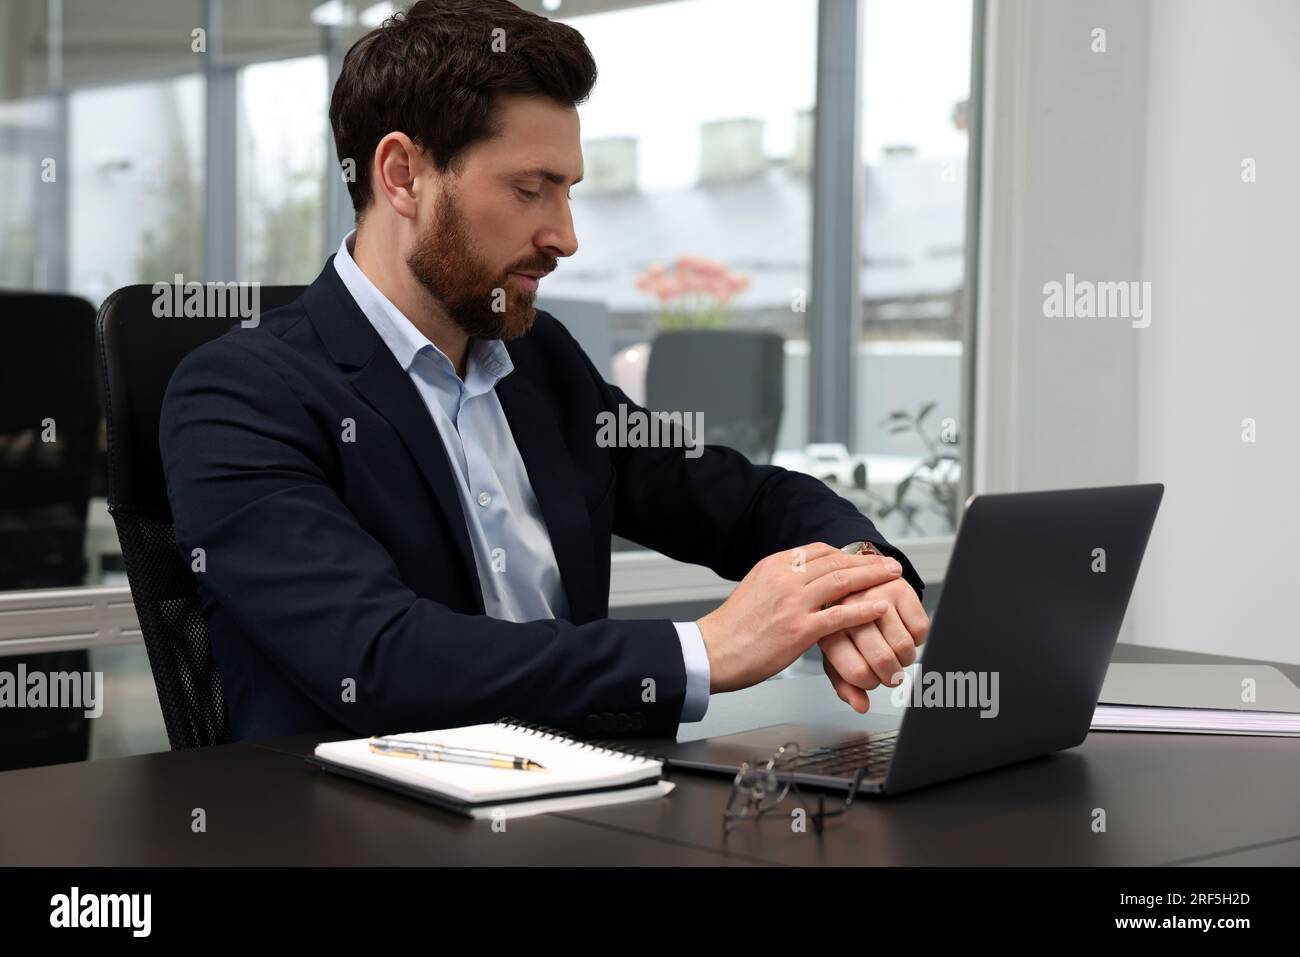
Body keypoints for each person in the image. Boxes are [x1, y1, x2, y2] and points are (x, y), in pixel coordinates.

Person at [159, 0, 928, 742]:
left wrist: (860, 576)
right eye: (531, 190)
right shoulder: (238, 395)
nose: (565, 236)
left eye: (568, 191)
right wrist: (704, 650)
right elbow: (381, 658)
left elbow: (744, 499)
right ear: (401, 176)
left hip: (578, 794)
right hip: (364, 826)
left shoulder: (541, 362)